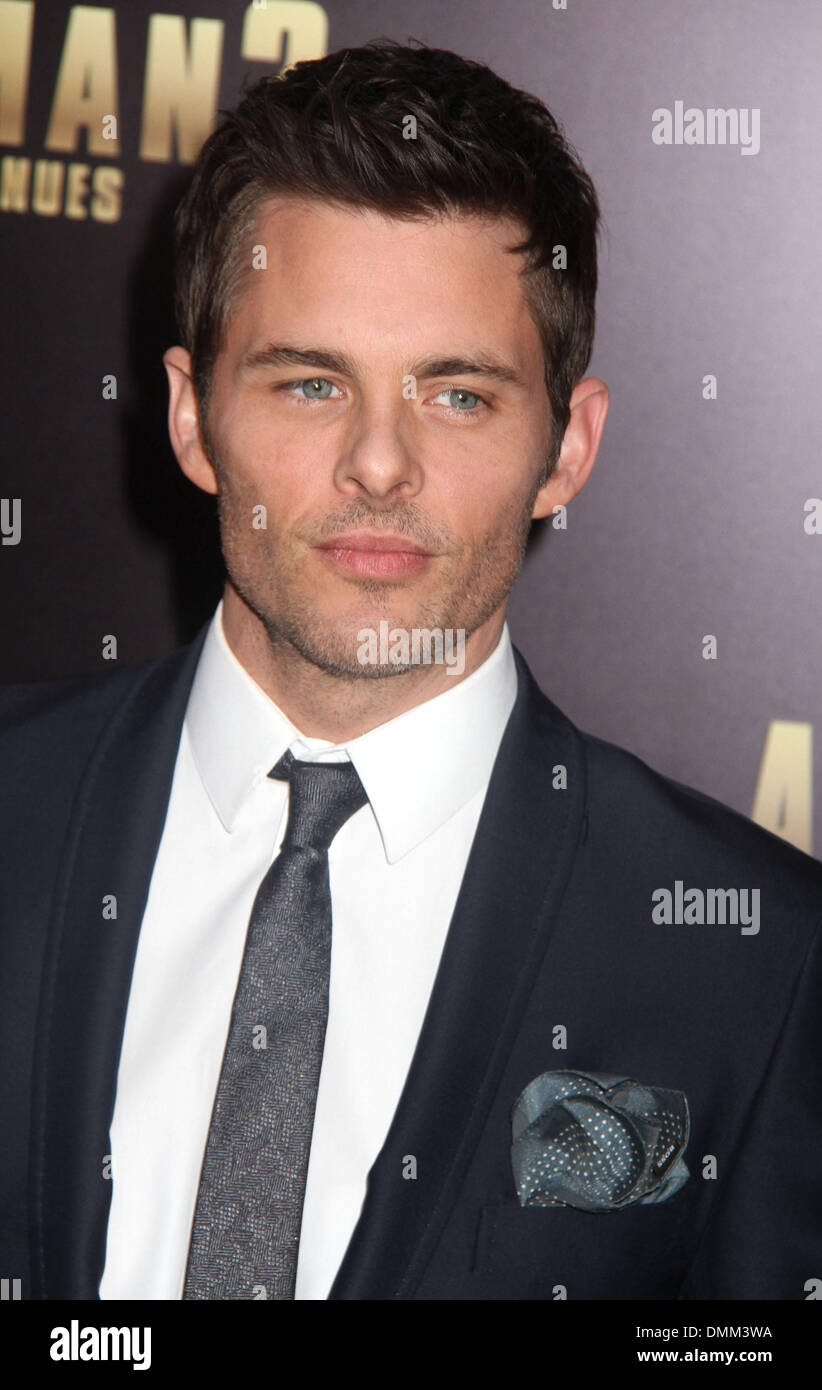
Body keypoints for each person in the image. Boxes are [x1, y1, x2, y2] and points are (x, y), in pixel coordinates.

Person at [1, 40, 820, 1303]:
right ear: (189, 416)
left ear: (568, 448)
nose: (378, 464)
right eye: (312, 381)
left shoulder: (761, 963)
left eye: (458, 396)